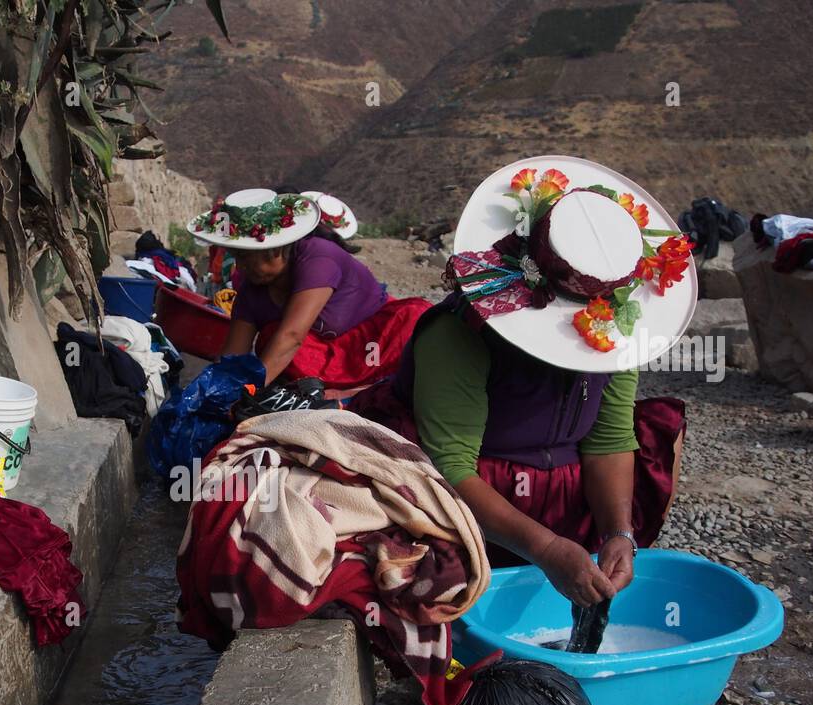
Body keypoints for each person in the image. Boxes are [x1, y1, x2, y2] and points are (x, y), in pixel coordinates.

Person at [351, 156, 693, 608]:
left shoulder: (610, 334)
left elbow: (608, 440)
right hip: (466, 499)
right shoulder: (459, 335)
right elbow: (451, 467)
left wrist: (618, 532)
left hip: (565, 495)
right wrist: (546, 548)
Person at [188, 188, 431, 395]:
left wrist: (250, 391)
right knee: (271, 339)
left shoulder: (319, 257)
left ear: (275, 248)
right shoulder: (251, 289)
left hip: (375, 346)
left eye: (246, 257)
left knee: (418, 318)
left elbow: (292, 336)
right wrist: (209, 393)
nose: (240, 267)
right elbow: (232, 357)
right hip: (325, 362)